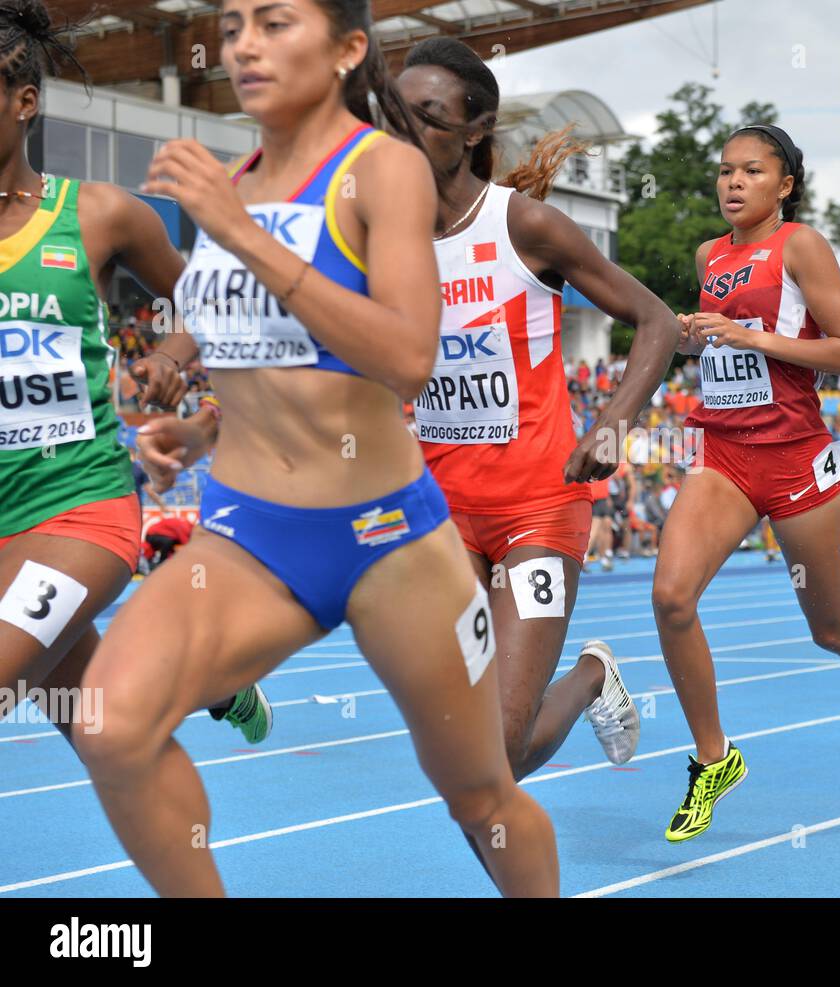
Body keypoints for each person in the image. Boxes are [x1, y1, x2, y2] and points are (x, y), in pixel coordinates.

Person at [73, 0, 558, 896]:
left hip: (389, 541)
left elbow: (408, 359)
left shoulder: (384, 173)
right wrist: (195, 420)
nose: (244, 45)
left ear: (346, 49)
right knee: (111, 724)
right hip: (251, 537)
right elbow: (272, 356)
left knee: (481, 792)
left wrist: (243, 236)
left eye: (274, 22)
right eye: (231, 27)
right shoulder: (233, 181)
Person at [396, 38, 679, 790]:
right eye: (395, 115)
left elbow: (659, 322)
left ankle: (591, 673)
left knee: (499, 755)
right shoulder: (382, 242)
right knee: (461, 749)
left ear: (474, 130)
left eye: (426, 116)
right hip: (443, 517)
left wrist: (612, 422)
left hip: (537, 508)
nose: (405, 131)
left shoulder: (524, 226)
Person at [0, 0, 269, 748]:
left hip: (75, 506)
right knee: (104, 727)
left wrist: (171, 356)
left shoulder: (99, 215)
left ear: (24, 102)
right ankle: (207, 676)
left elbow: (211, 307)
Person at [653, 124, 840, 843]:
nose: (732, 183)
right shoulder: (711, 255)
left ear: (785, 185)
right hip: (724, 452)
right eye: (723, 170)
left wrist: (753, 338)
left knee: (830, 626)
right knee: (671, 595)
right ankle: (715, 757)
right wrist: (695, 336)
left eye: (751, 171)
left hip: (796, 457)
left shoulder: (800, 245)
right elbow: (722, 342)